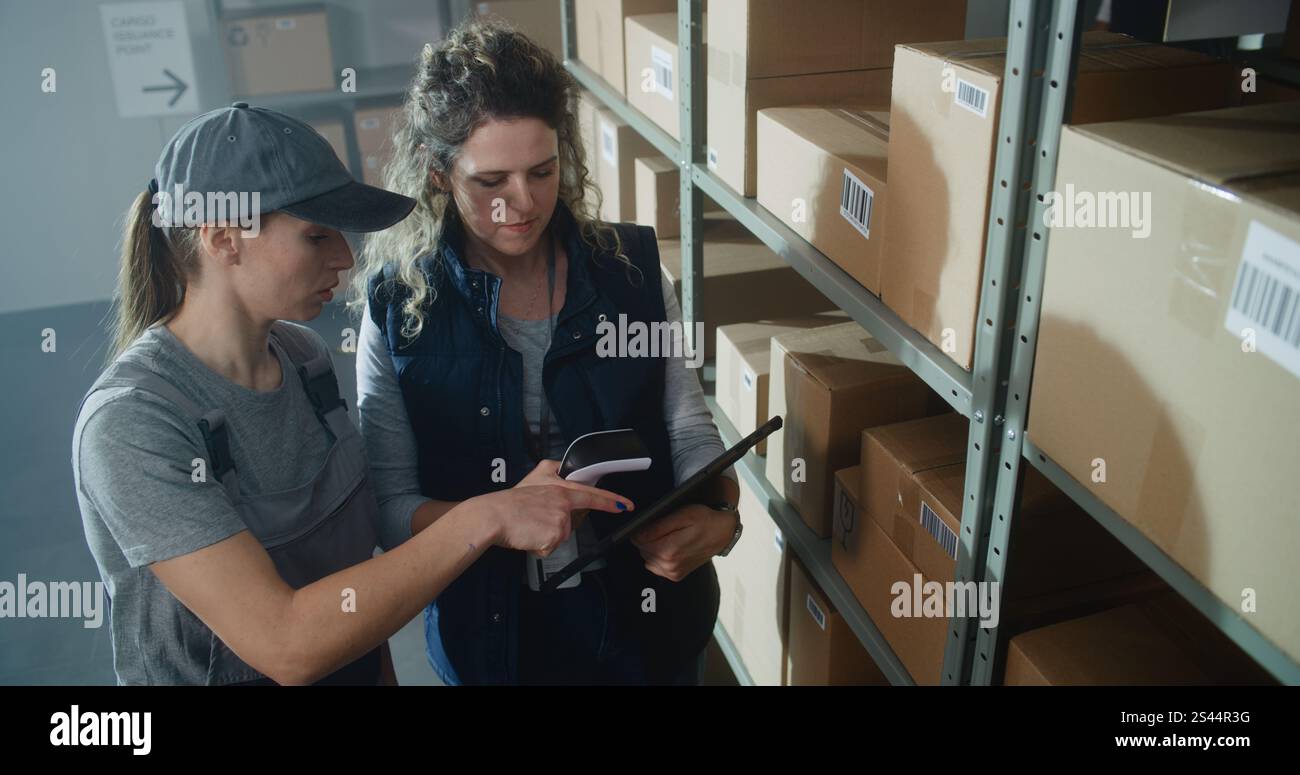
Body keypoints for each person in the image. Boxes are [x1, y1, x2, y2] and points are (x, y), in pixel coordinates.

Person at [72, 102, 632, 685]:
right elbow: (288, 643)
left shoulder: (302, 359)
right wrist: (487, 516)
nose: (343, 257)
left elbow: (351, 601)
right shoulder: (132, 424)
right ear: (223, 240)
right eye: (315, 236)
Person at [354, 19, 743, 686]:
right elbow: (391, 506)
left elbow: (688, 430)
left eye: (543, 171)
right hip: (492, 644)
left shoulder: (633, 272)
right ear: (439, 173)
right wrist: (495, 517)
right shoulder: (398, 305)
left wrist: (720, 520)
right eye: (491, 182)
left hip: (647, 632)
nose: (523, 203)